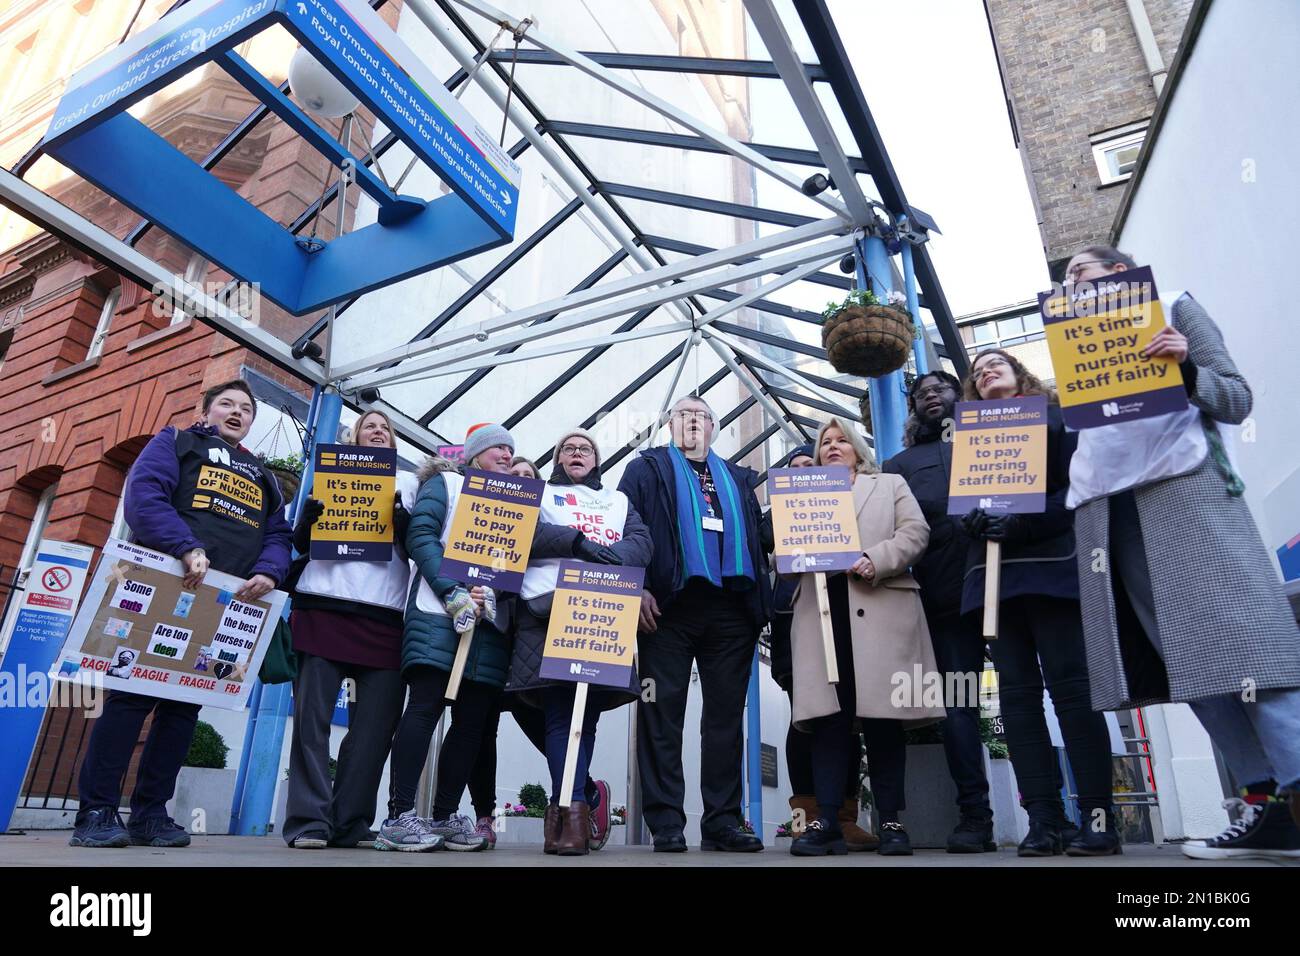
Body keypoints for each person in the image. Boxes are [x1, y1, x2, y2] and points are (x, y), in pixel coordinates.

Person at [1062, 245, 1300, 860]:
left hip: (1188, 493)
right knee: (1188, 666)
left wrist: (1186, 366)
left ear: (1121, 273)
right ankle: (1265, 807)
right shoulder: (1077, 345)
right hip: (1112, 513)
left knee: (1252, 649)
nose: (1070, 284)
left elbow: (1237, 398)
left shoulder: (1175, 308)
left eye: (1079, 272)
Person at [71, 380, 291, 848]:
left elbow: (278, 534)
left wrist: (271, 571)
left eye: (245, 409)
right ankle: (96, 811)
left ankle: (151, 814)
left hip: (222, 605)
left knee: (182, 708)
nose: (236, 413)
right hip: (161, 587)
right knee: (129, 698)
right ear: (206, 410)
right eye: (226, 405)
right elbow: (145, 495)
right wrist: (185, 545)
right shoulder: (174, 441)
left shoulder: (265, 476)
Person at [959, 350, 1118, 856]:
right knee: (1017, 700)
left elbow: (1080, 488)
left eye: (995, 362)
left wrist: (1026, 522)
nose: (985, 370)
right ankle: (1044, 821)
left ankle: (1097, 820)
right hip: (995, 582)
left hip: (1053, 570)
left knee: (1073, 692)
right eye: (977, 369)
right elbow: (961, 503)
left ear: (1018, 372)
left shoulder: (1058, 417)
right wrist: (974, 520)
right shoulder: (970, 436)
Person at [618, 395, 771, 852]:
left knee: (724, 719)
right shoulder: (645, 469)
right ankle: (666, 822)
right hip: (667, 606)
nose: (692, 421)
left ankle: (723, 822)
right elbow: (626, 528)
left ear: (713, 428)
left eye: (701, 415)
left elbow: (760, 535)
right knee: (661, 713)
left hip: (731, 609)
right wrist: (636, 587)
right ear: (668, 425)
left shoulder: (740, 478)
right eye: (683, 414)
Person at [786, 419, 946, 856]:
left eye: (842, 441)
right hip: (822, 611)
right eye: (825, 443)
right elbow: (781, 550)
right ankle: (827, 820)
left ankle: (892, 820)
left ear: (858, 449)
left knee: (883, 718)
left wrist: (878, 558)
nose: (834, 447)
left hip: (881, 606)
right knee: (830, 720)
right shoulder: (803, 491)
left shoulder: (889, 484)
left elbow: (916, 533)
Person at [505, 428, 652, 854]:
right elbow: (518, 533)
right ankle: (571, 808)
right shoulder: (537, 492)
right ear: (557, 459)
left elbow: (643, 543)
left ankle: (569, 814)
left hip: (601, 610)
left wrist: (613, 557)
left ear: (596, 460)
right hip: (546, 611)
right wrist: (577, 542)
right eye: (567, 448)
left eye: (585, 449)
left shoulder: (618, 501)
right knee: (556, 711)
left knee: (582, 718)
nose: (576, 453)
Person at [281, 410, 416, 849]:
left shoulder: (411, 483)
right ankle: (308, 822)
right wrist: (306, 527)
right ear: (353, 436)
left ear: (394, 441)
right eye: (368, 425)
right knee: (311, 724)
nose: (377, 430)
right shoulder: (326, 474)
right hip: (324, 606)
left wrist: (406, 529)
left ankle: (350, 821)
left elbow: (428, 547)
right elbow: (294, 544)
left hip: (386, 615)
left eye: (385, 428)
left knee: (375, 730)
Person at [881, 372, 998, 852]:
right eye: (921, 392)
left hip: (1011, 587)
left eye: (942, 387)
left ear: (962, 395)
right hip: (945, 602)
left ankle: (1054, 816)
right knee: (958, 708)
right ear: (912, 407)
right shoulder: (900, 465)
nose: (932, 394)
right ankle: (976, 817)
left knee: (1032, 697)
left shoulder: (997, 439)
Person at [764, 444, 878, 852]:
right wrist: (785, 508)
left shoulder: (846, 499)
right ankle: (805, 818)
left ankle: (843, 816)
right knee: (804, 716)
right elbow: (762, 541)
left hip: (842, 616)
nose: (801, 473)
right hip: (793, 618)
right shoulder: (780, 509)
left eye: (807, 467)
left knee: (846, 718)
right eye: (793, 469)